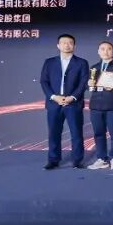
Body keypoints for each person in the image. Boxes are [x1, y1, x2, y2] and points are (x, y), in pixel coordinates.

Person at [39, 33, 88, 169]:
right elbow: (44, 81)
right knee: (54, 133)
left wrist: (72, 97)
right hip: (54, 103)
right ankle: (53, 160)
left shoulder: (82, 62)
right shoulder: (49, 62)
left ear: (74, 46)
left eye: (70, 43)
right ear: (58, 45)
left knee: (76, 133)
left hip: (73, 103)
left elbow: (83, 82)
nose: (67, 45)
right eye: (64, 42)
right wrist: (54, 97)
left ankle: (77, 161)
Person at [87, 41, 113, 170]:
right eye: (103, 49)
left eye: (109, 49)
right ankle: (101, 158)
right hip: (96, 106)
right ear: (98, 51)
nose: (106, 51)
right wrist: (88, 84)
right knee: (98, 133)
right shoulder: (94, 68)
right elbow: (89, 86)